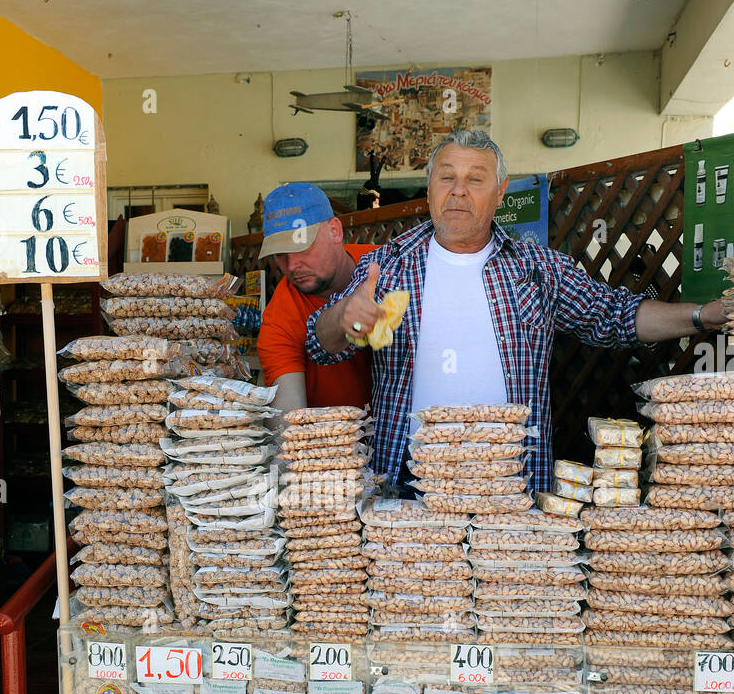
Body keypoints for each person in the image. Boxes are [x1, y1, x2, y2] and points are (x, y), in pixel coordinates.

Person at [306, 129, 732, 494]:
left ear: (500, 191)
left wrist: (701, 317)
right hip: (407, 481)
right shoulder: (390, 265)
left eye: (475, 178)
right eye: (446, 177)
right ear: (430, 187)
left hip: (512, 484)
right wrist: (343, 315)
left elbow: (616, 316)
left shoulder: (537, 268)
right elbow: (318, 344)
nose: (458, 190)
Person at [256, 183, 373, 413]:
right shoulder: (279, 319)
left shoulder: (389, 265)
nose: (292, 266)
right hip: (329, 444)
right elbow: (288, 420)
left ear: (335, 231)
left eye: (302, 248)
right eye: (280, 255)